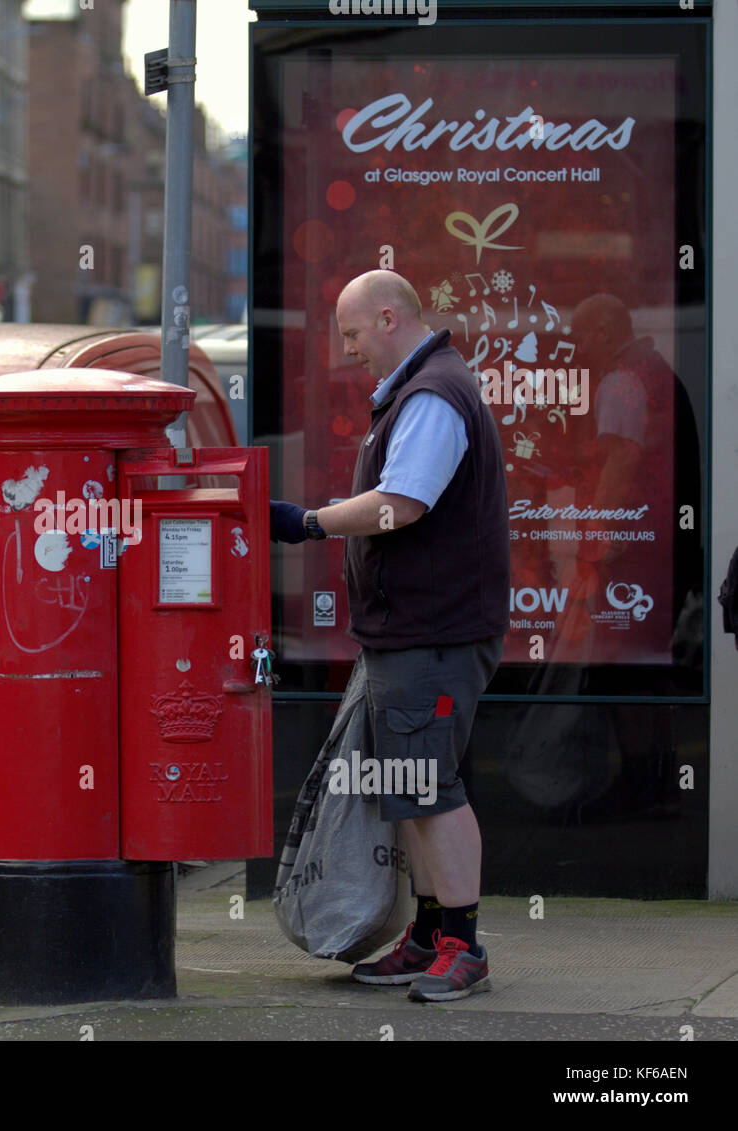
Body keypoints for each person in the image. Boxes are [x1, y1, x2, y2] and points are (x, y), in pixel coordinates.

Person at [270, 269, 509, 1001]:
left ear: (387, 318)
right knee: (406, 785)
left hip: (433, 632)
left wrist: (309, 521)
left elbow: (401, 505)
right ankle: (432, 934)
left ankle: (463, 946)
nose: (347, 352)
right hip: (410, 632)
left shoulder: (433, 394)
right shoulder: (424, 389)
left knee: (431, 787)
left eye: (350, 334)